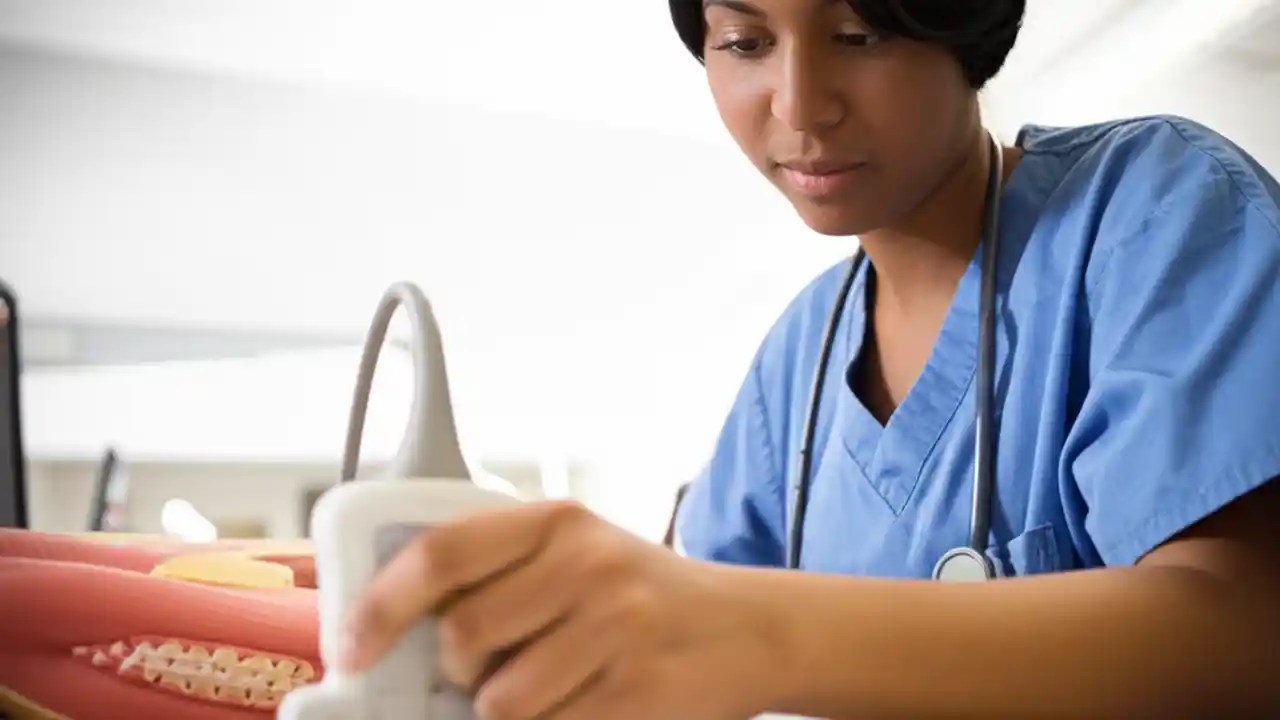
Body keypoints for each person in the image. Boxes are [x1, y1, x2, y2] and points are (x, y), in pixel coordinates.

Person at [339, 1, 1280, 717]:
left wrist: (747, 631)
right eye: (746, 43)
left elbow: (1243, 629)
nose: (799, 107)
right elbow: (669, 634)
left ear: (965, 27)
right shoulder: (800, 355)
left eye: (860, 33)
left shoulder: (1158, 209)